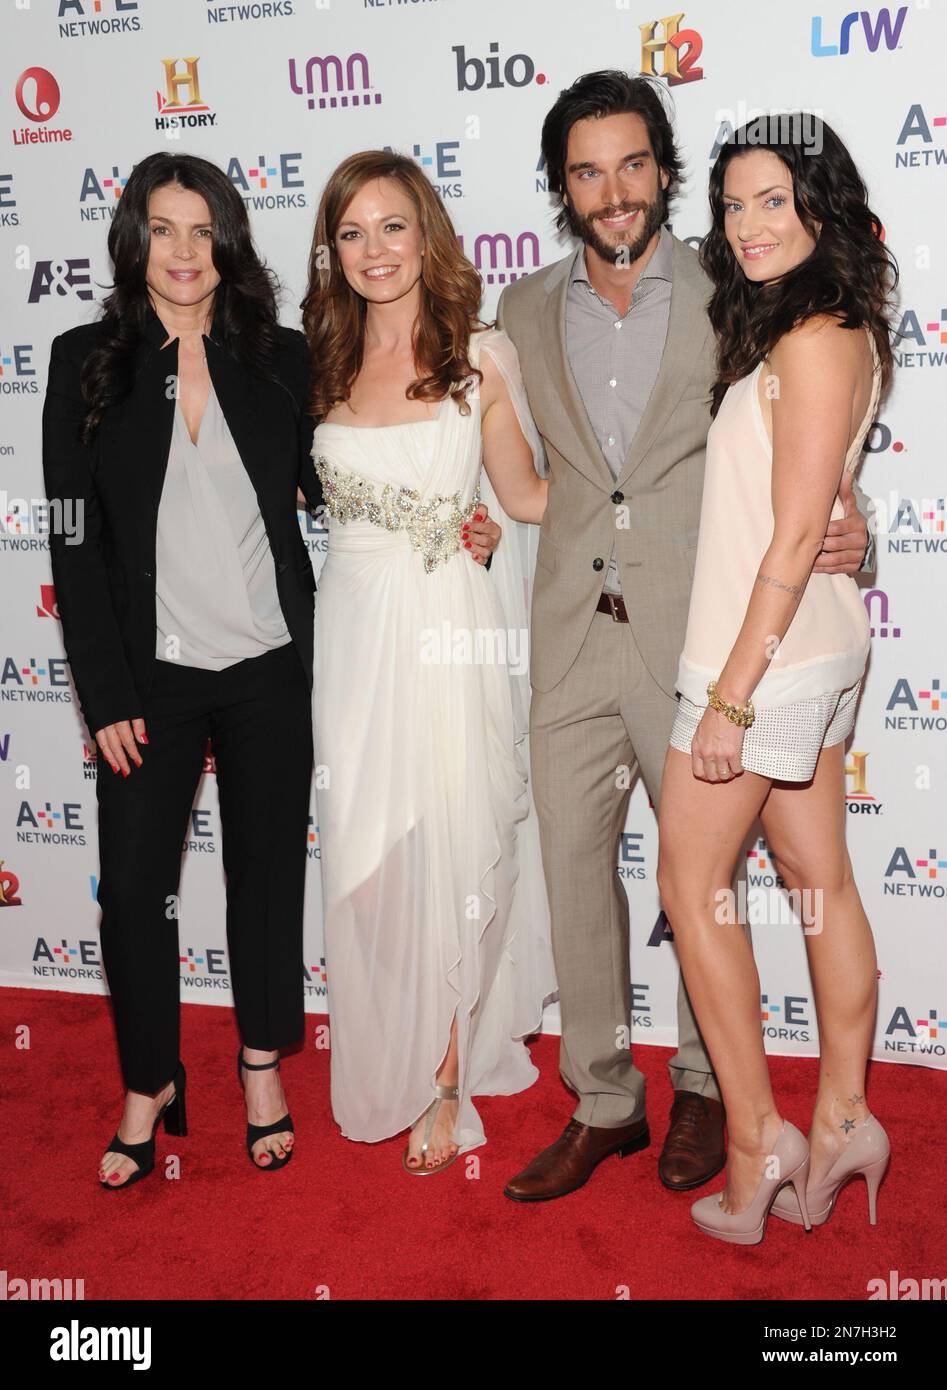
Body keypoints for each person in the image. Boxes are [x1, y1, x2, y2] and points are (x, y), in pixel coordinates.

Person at [495, 72, 876, 1204]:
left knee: (703, 884)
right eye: (584, 170)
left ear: (663, 170)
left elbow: (804, 465)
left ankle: (715, 1096)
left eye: (631, 164)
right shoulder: (518, 312)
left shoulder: (740, 282)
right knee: (574, 873)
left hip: (708, 636)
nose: (611, 192)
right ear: (558, 187)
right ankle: (603, 1099)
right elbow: (537, 476)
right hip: (571, 630)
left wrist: (853, 531)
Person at [43, 151, 326, 1187]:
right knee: (131, 894)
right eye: (162, 229)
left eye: (202, 230)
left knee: (262, 878)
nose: (182, 252)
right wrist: (104, 694)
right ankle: (149, 1079)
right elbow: (72, 540)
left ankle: (259, 1065)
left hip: (266, 666)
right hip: (148, 683)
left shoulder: (282, 356)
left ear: (228, 243)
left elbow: (332, 485)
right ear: (133, 240)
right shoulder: (87, 360)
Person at [656, 114, 895, 1243]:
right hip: (813, 645)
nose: (747, 225)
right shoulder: (815, 326)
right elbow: (816, 511)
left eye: (771, 201)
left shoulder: (812, 339)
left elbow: (795, 535)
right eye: (732, 204)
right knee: (816, 881)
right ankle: (842, 1118)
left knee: (688, 884)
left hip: (766, 658)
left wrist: (730, 696)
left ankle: (758, 1141)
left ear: (817, 207)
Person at [302, 149, 557, 1173]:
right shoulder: (313, 360)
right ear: (333, 248)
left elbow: (530, 494)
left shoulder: (480, 354)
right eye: (352, 232)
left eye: (392, 226)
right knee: (366, 859)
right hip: (352, 635)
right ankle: (394, 1042)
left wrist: (661, 498)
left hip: (451, 627)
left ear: (427, 233)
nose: (375, 250)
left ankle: (449, 1076)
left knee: (457, 843)